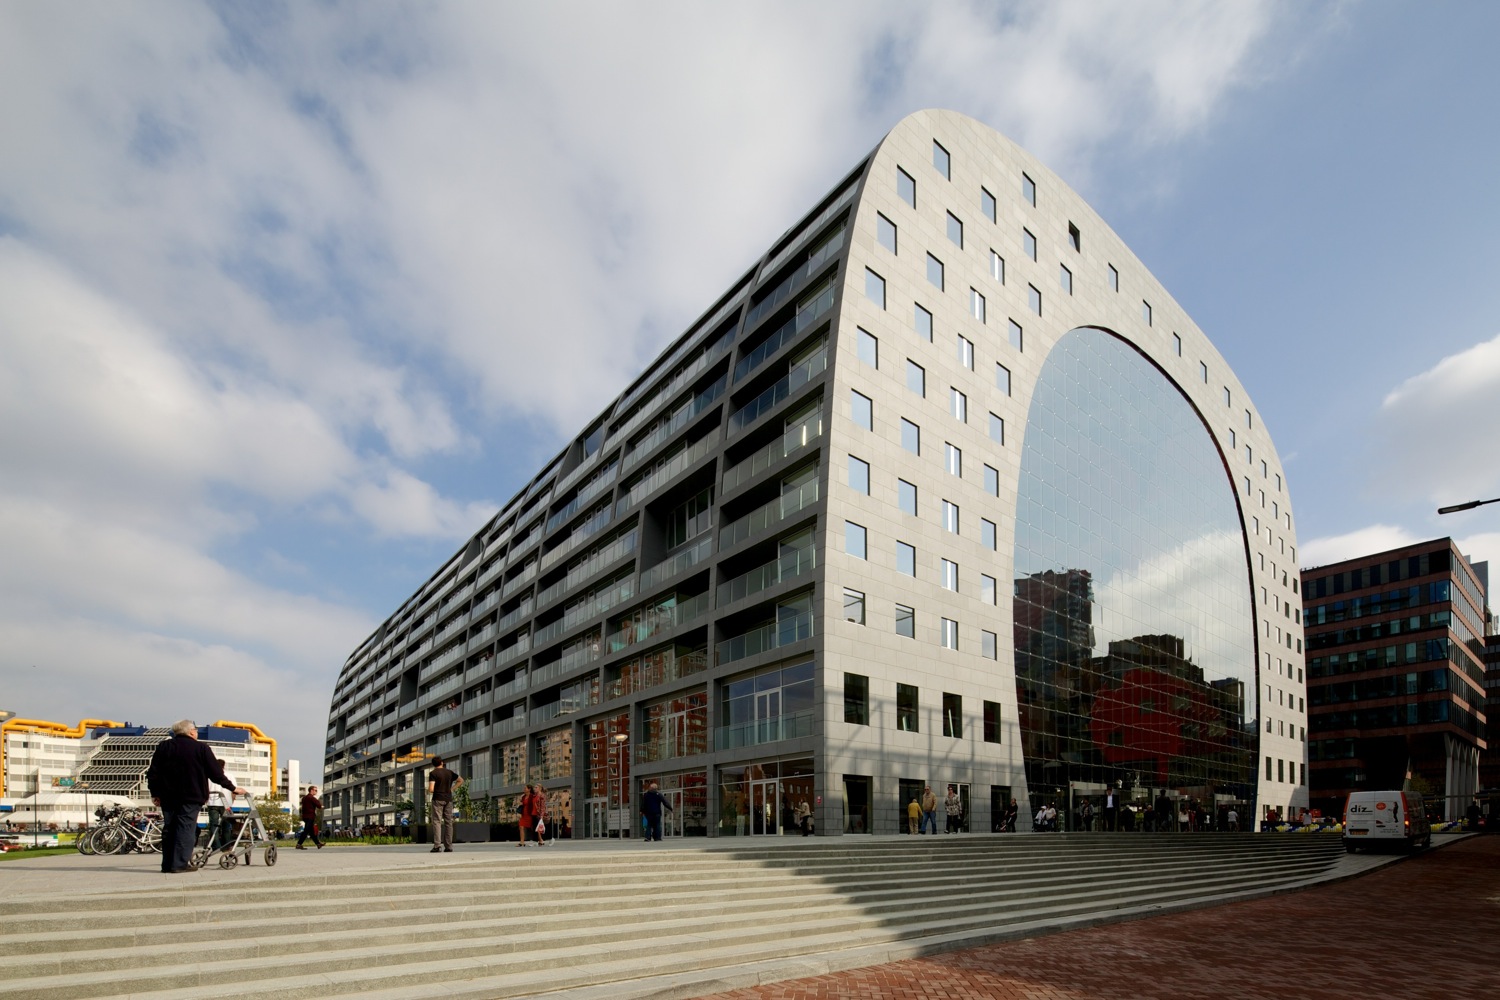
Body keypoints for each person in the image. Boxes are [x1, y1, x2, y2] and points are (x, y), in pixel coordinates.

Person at [146, 720, 245, 874]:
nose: (197, 733)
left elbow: (153, 773)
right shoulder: (201, 748)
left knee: (169, 828)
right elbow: (216, 774)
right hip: (191, 796)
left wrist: (155, 793)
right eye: (196, 730)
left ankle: (167, 864)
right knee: (185, 828)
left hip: (167, 796)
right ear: (191, 732)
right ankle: (179, 864)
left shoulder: (164, 746)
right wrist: (232, 788)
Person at [427, 756, 462, 853]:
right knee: (448, 822)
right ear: (442, 763)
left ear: (433, 764)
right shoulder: (449, 772)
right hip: (448, 799)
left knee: (437, 822)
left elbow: (431, 789)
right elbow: (461, 780)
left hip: (437, 799)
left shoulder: (433, 773)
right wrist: (452, 789)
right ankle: (449, 846)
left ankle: (437, 846)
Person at [203, 759, 236, 853]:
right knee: (226, 826)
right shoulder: (229, 775)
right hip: (226, 804)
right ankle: (226, 846)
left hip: (212, 803)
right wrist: (232, 801)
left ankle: (216, 846)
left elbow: (205, 789)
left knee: (214, 825)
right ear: (224, 766)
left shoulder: (208, 775)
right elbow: (234, 790)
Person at [295, 784, 324, 849]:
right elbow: (318, 805)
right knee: (306, 831)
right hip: (310, 816)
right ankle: (299, 844)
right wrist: (321, 806)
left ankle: (318, 844)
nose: (316, 792)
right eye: (315, 790)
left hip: (305, 816)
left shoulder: (304, 798)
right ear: (311, 790)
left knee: (311, 832)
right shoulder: (311, 798)